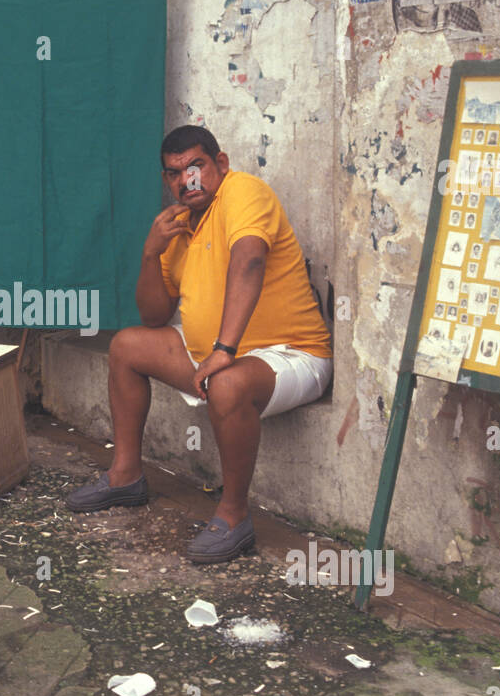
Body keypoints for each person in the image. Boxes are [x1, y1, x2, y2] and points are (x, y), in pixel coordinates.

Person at [64, 126, 333, 563]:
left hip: (292, 354)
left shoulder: (243, 191)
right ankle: (126, 475)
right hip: (213, 353)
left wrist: (225, 350)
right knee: (127, 347)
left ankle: (233, 515)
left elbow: (250, 259)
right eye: (174, 173)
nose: (186, 180)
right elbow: (153, 316)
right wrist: (151, 252)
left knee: (226, 385)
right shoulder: (180, 224)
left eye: (196, 167)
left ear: (220, 165)